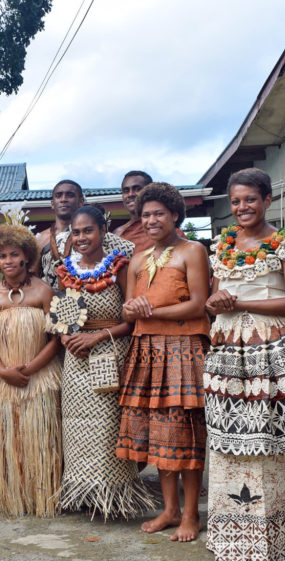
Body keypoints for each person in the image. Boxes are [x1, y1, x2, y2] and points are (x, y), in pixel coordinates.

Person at [203, 168, 285, 561]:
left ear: (268, 200)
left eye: (250, 200)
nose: (242, 208)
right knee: (232, 438)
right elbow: (214, 298)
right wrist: (218, 304)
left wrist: (242, 305)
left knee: (276, 438)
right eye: (236, 201)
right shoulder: (222, 245)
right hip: (227, 353)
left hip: (271, 350)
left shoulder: (283, 243)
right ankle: (237, 534)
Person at [116, 183, 210, 541]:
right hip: (147, 351)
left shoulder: (191, 251)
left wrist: (150, 310)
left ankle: (190, 514)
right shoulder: (137, 260)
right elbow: (128, 307)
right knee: (158, 433)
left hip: (183, 349)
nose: (151, 220)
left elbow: (198, 303)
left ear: (174, 215)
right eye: (145, 215)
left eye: (158, 213)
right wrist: (134, 309)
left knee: (185, 433)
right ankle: (168, 510)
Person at [53, 206, 155, 519]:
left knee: (110, 427)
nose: (81, 237)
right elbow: (62, 314)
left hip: (111, 354)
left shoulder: (119, 267)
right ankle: (82, 493)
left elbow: (131, 319)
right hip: (76, 361)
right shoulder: (66, 269)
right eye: (76, 232)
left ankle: (114, 497)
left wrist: (96, 338)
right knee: (75, 428)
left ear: (102, 232)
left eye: (88, 231)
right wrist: (66, 338)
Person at [0, 223, 63, 517]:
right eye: (2, 256)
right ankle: (12, 498)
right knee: (9, 440)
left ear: (26, 257)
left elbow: (56, 339)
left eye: (14, 254)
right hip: (3, 380)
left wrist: (32, 368)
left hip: (41, 378)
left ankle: (43, 499)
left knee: (41, 440)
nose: (8, 261)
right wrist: (3, 372)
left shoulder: (44, 291)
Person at [37, 179, 84, 285]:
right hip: (50, 298)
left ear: (81, 202)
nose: (63, 199)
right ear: (53, 203)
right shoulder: (40, 239)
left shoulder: (90, 236)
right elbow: (34, 277)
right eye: (59, 195)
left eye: (70, 195)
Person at [111, 170, 154, 252]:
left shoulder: (162, 228)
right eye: (126, 191)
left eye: (137, 189)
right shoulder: (117, 233)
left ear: (150, 192)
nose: (130, 194)